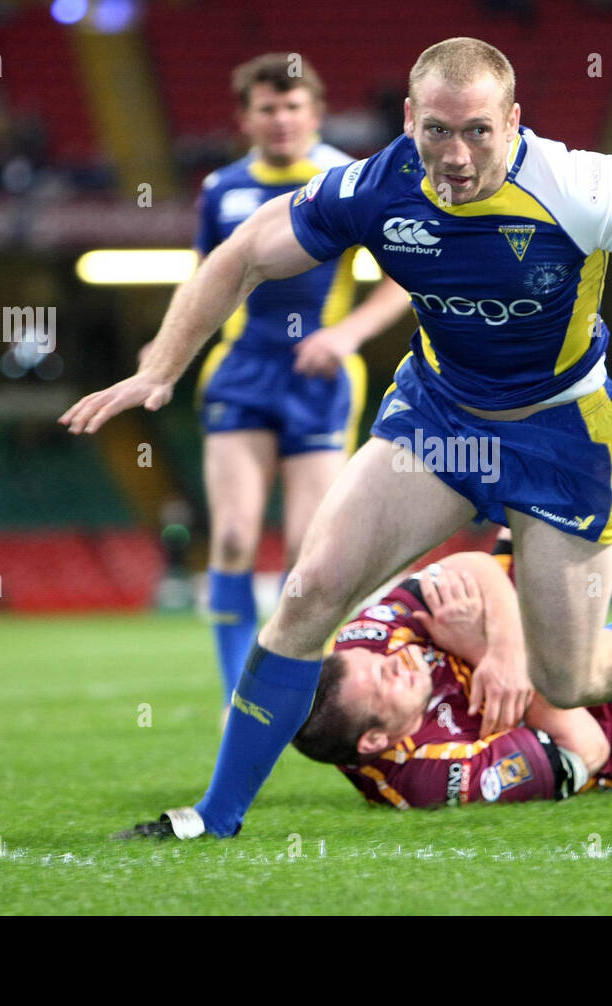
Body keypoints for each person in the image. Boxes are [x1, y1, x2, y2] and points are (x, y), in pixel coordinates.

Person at [63, 37, 612, 839]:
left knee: (573, 675)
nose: (456, 155)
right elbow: (242, 255)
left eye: (478, 131)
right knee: (308, 596)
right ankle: (214, 817)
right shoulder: (373, 185)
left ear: (513, 122)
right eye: (437, 132)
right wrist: (161, 370)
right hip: (439, 419)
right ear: (409, 120)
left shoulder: (576, 184)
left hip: (562, 436)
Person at [145, 53, 409, 715]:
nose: (282, 118)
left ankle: (289, 683)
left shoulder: (348, 182)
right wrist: (168, 344)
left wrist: (346, 334)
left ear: (316, 113)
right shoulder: (221, 189)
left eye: (294, 107)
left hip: (319, 379)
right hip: (240, 372)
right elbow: (208, 277)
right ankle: (237, 693)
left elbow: (400, 279)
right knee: (232, 536)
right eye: (267, 107)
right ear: (246, 118)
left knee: (306, 548)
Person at [290, 547, 612, 808]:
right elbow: (586, 745)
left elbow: (474, 566)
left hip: (525, 638)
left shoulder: (367, 642)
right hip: (575, 724)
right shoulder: (428, 778)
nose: (395, 662)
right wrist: (482, 651)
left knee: (544, 511)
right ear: (373, 741)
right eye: (385, 680)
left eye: (376, 660)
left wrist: (505, 648)